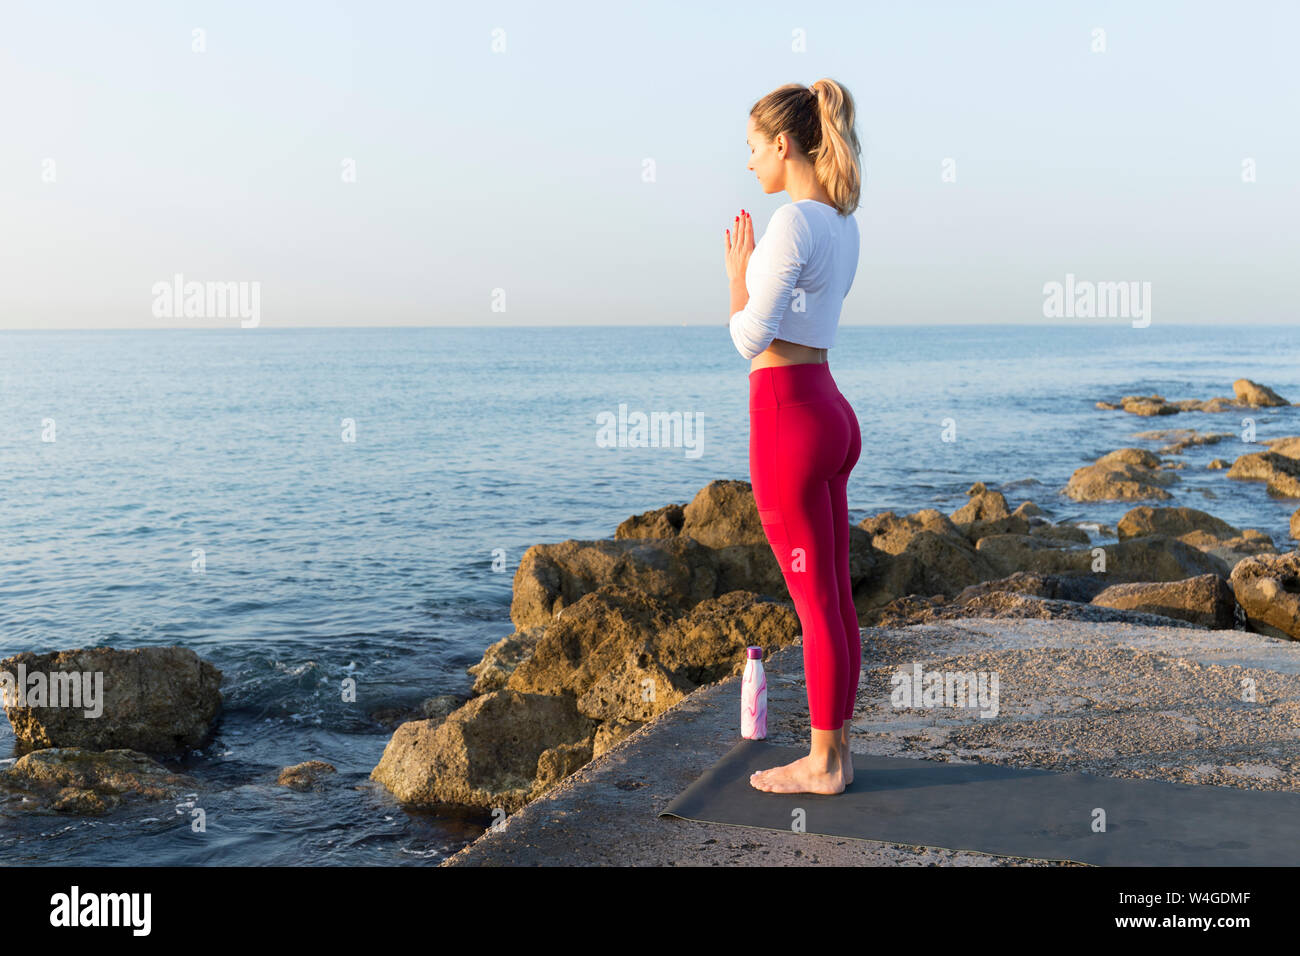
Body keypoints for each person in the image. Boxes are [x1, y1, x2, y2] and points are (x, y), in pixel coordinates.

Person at [724, 78, 863, 795]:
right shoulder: (843, 224)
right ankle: (835, 753)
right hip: (831, 410)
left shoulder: (793, 224)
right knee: (834, 599)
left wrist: (734, 283)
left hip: (787, 419)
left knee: (814, 607)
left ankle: (822, 764)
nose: (749, 164)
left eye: (752, 149)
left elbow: (751, 337)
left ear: (782, 144)